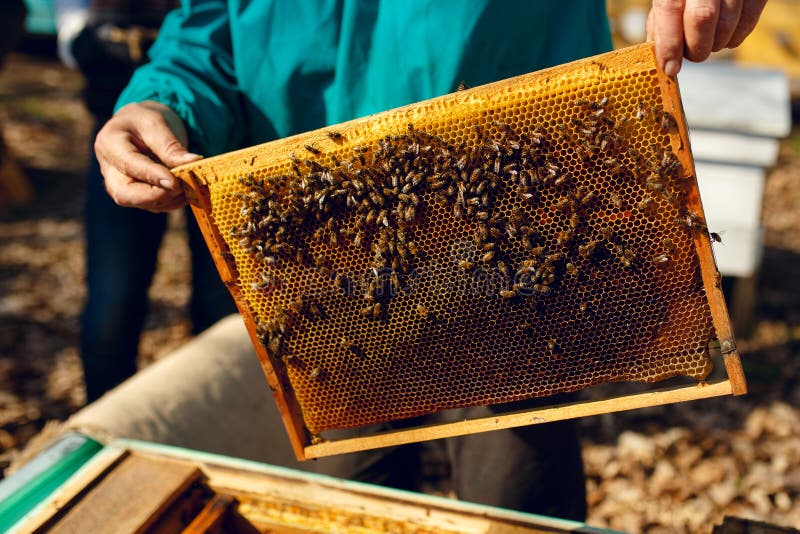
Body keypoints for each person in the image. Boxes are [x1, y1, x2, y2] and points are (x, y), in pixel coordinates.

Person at [93, 0, 767, 520]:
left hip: (513, 224)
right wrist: (161, 100)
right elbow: (213, 28)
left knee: (515, 482)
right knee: (354, 497)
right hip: (326, 239)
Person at [54, 0, 237, 403]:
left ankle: (212, 411)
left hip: (230, 154)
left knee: (220, 302)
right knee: (113, 298)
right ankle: (104, 421)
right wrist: (81, 39)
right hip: (130, 125)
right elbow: (208, 38)